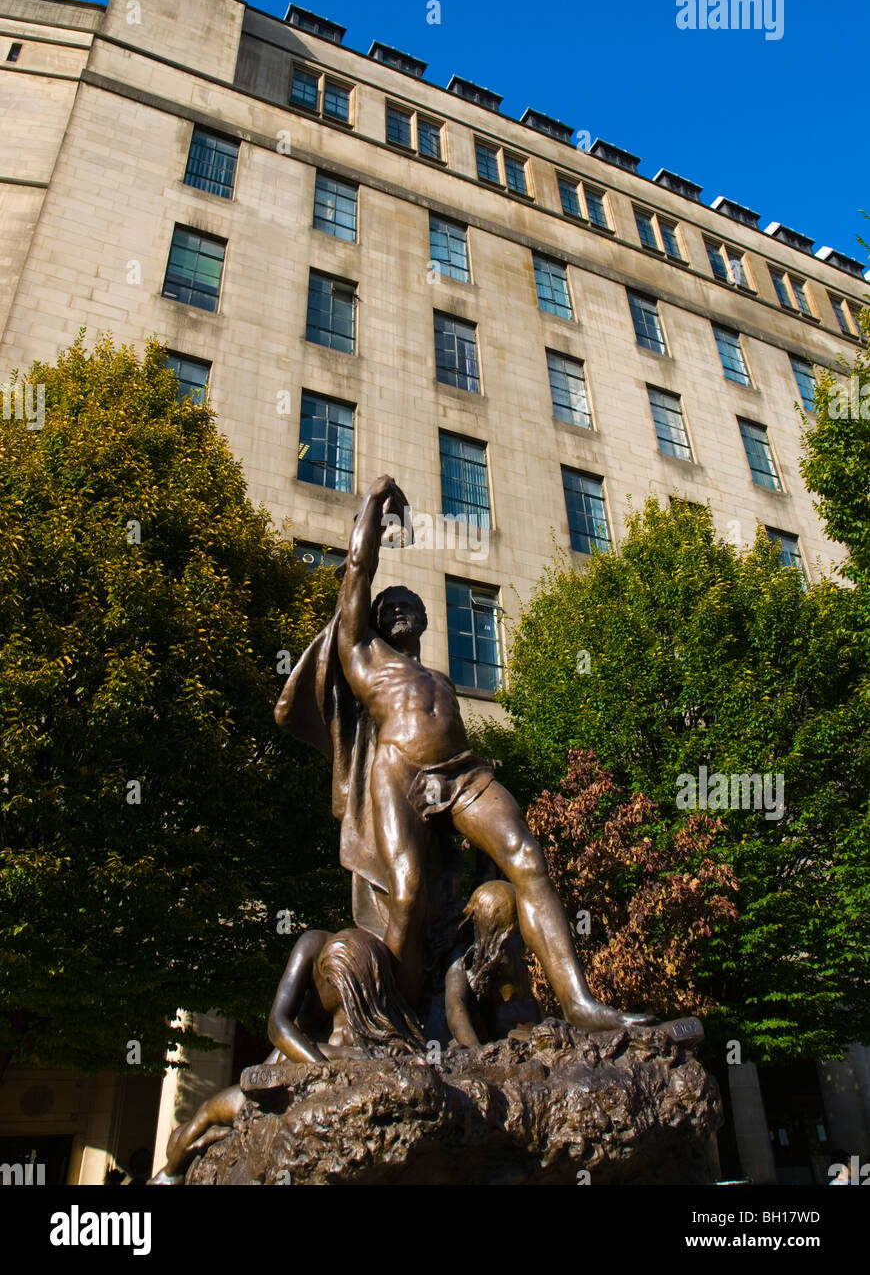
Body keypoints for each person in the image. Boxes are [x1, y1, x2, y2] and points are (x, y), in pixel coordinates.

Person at [277, 475, 653, 1031]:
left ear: (425, 620)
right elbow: (358, 569)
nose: (398, 607)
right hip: (396, 770)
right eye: (389, 605)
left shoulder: (439, 678)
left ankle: (578, 1002)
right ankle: (394, 1024)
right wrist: (378, 497)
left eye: (409, 603)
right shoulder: (363, 657)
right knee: (407, 894)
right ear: (375, 621)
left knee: (526, 856)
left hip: (462, 774)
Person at [150, 924, 423, 1183]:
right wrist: (324, 1070)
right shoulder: (311, 946)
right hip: (288, 1058)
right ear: (329, 979)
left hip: (306, 1065)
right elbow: (277, 1026)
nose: (344, 1013)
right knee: (212, 1111)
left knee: (213, 1115)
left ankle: (184, 1156)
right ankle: (169, 1172)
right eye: (339, 998)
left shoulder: (370, 978)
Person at [445, 880, 541, 1046]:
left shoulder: (513, 949)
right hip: (496, 1041)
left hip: (528, 1032)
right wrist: (477, 1051)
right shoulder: (462, 960)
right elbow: (455, 1009)